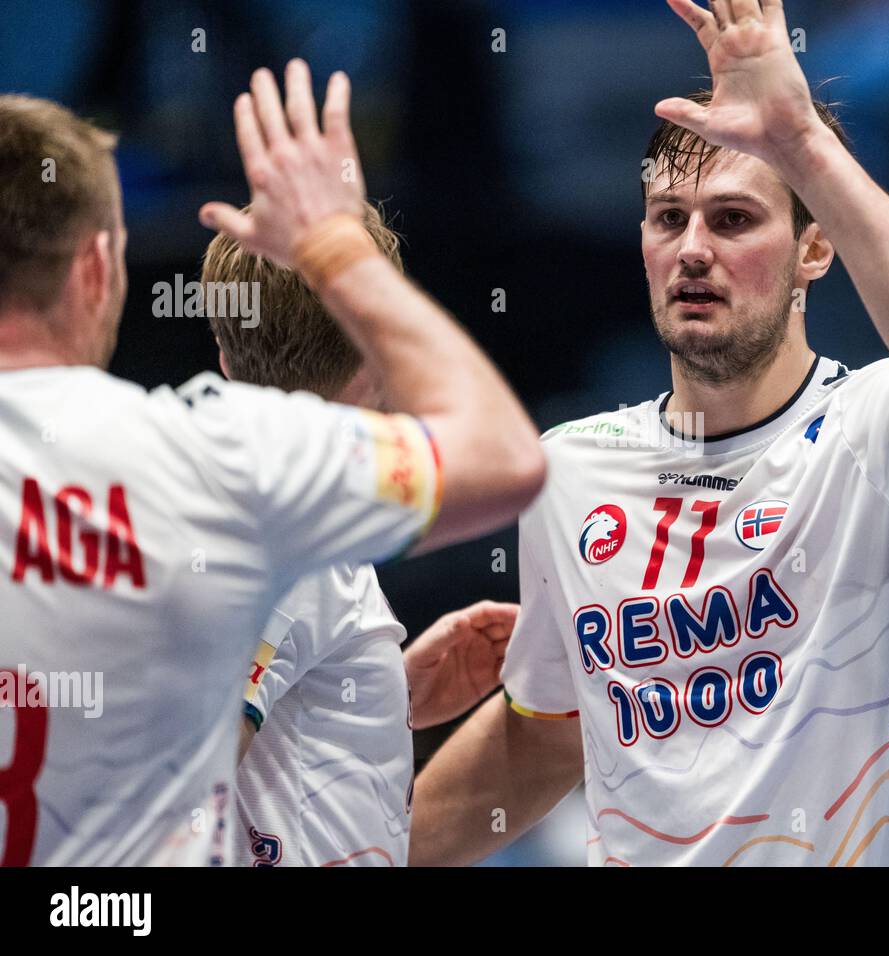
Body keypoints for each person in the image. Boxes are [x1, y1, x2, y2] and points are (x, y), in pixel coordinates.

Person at [408, 0, 889, 867]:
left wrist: (804, 145)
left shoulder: (885, 431)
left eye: (734, 219)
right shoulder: (570, 469)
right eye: (668, 218)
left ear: (813, 251)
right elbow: (545, 739)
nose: (693, 248)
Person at [0, 59, 543, 865]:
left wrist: (375, 687)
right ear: (95, 269)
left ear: (222, 344)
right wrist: (334, 247)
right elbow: (501, 453)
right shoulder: (237, 487)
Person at [203, 201, 519, 867]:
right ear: (377, 353)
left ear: (225, 357)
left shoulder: (245, 505)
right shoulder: (297, 533)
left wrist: (372, 692)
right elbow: (177, 784)